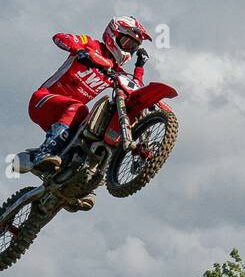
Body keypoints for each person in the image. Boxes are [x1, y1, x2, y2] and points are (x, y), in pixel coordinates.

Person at [15, 17, 154, 203]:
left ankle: (81, 178)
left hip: (70, 117)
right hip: (43, 101)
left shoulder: (116, 70)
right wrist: (80, 50)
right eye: (127, 42)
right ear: (114, 34)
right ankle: (44, 153)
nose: (129, 49)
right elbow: (60, 37)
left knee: (92, 127)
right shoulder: (91, 45)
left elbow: (134, 89)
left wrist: (139, 67)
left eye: (133, 46)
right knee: (79, 108)